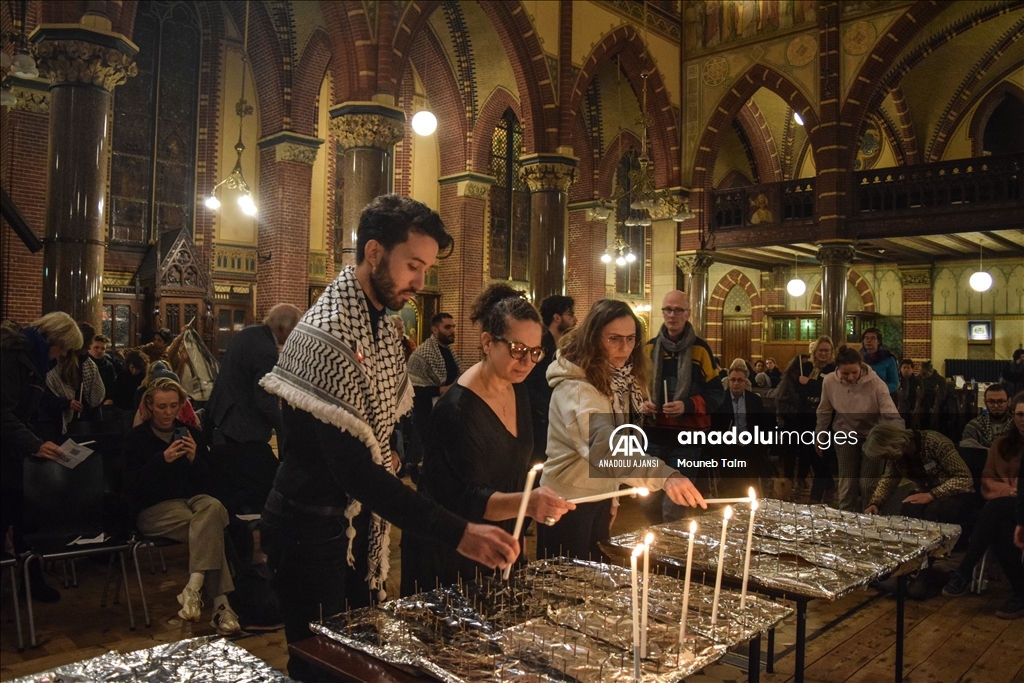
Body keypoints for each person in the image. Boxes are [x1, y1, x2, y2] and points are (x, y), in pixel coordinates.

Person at [257, 195, 518, 682]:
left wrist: (396, 451)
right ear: (374, 252)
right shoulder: (327, 334)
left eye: (426, 268)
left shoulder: (380, 324)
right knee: (320, 667)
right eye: (413, 266)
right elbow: (355, 470)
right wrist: (459, 531)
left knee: (357, 659)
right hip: (308, 530)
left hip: (352, 525)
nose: (421, 282)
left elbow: (383, 427)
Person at [402, 284, 574, 594]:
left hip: (502, 540)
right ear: (487, 342)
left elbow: (516, 467)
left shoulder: (516, 387)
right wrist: (528, 503)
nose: (527, 361)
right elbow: (463, 498)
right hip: (454, 551)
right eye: (517, 349)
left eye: (535, 352)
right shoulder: (457, 410)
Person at [539, 299, 707, 561]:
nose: (624, 348)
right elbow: (606, 450)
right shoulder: (578, 389)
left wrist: (612, 496)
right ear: (593, 338)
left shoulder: (617, 379)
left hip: (599, 494)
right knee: (566, 588)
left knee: (592, 583)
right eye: (614, 338)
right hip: (567, 501)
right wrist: (665, 475)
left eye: (630, 339)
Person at [123, 378, 240, 635]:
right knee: (212, 527)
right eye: (162, 406)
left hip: (195, 503)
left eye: (173, 406)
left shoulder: (192, 435)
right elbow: (131, 488)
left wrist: (194, 459)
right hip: (156, 508)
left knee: (213, 507)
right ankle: (222, 607)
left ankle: (193, 587)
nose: (167, 413)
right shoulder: (135, 439)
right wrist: (160, 461)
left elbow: (212, 484)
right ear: (150, 407)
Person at [1, 312, 83, 603]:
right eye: (63, 348)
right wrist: (34, 444)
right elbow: (4, 414)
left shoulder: (31, 359)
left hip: (12, 450)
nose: (62, 356)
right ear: (53, 339)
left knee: (28, 515)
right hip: (6, 451)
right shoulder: (13, 355)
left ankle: (31, 580)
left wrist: (39, 442)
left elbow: (24, 412)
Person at [205, 303, 301, 517]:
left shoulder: (247, 334)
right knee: (262, 481)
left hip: (223, 417)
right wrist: (285, 426)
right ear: (285, 329)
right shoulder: (266, 351)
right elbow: (264, 399)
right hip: (244, 429)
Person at [644, 290, 725, 522]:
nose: (672, 315)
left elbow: (717, 394)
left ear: (687, 313)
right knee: (648, 498)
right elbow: (635, 387)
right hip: (654, 434)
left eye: (678, 310)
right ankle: (653, 546)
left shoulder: (700, 349)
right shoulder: (649, 349)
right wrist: (642, 402)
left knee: (674, 503)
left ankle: (670, 552)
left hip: (687, 438)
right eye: (667, 309)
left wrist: (687, 405)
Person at [942, 391, 1023, 620]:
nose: (1023, 419)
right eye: (1019, 414)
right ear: (1013, 415)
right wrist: (1010, 492)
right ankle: (1021, 592)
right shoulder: (1001, 445)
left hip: (1015, 506)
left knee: (995, 511)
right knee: (1000, 528)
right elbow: (987, 480)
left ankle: (964, 570)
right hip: (1009, 506)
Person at [816, 345, 903, 511]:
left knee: (868, 483)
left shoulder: (876, 383)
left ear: (861, 367)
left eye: (854, 373)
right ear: (838, 370)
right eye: (845, 373)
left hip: (873, 435)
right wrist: (819, 435)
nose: (850, 377)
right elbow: (824, 410)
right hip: (845, 432)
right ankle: (846, 521)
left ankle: (869, 521)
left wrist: (899, 439)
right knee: (847, 483)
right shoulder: (829, 381)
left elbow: (890, 412)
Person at [863, 423, 975, 523]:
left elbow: (964, 478)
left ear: (892, 444)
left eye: (885, 456)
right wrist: (875, 503)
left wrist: (932, 495)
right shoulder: (896, 457)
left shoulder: (935, 442)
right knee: (909, 508)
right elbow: (889, 481)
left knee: (936, 511)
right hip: (924, 491)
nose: (886, 459)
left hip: (955, 493)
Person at [406, 312, 462, 479]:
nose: (452, 330)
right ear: (434, 330)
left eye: (453, 327)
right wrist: (441, 390)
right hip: (426, 413)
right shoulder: (421, 355)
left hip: (448, 409)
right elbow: (413, 388)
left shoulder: (449, 352)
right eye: (447, 327)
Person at [524, 295, 576, 461]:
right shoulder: (540, 345)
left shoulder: (564, 347)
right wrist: (547, 406)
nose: (575, 320)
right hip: (537, 419)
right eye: (571, 315)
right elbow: (527, 382)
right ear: (557, 317)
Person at [712, 361, 771, 494]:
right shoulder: (720, 400)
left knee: (751, 474)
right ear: (728, 381)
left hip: (750, 446)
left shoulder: (754, 401)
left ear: (746, 382)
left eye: (740, 380)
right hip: (727, 446)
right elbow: (715, 427)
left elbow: (763, 426)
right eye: (733, 380)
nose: (736, 383)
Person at [38, 322, 105, 434]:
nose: (89, 347)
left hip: (83, 420)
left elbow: (95, 400)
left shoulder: (89, 365)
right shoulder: (55, 363)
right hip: (55, 421)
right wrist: (65, 403)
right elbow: (43, 396)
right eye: (88, 343)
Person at [775, 354, 818, 495]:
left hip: (807, 420)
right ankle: (788, 479)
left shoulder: (810, 379)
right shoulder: (788, 382)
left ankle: (801, 478)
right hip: (791, 420)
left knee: (806, 451)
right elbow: (781, 401)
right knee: (790, 452)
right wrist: (793, 412)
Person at [961, 383, 1013, 449]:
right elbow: (967, 454)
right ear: (985, 402)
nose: (996, 405)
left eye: (1001, 401)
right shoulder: (973, 427)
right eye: (991, 402)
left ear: (1009, 402)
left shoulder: (1017, 425)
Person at [860, 327, 899, 397]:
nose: (869, 341)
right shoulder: (858, 357)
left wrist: (879, 390)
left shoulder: (887, 358)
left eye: (872, 338)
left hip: (882, 396)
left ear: (878, 341)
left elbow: (894, 383)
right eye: (866, 338)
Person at [88, 334, 118, 407]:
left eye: (103, 349)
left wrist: (110, 399)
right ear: (89, 348)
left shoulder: (109, 366)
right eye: (96, 347)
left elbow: (112, 386)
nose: (99, 351)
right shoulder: (85, 364)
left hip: (104, 402)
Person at [916, 362, 947, 431]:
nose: (922, 376)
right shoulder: (919, 378)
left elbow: (942, 396)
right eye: (921, 373)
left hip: (933, 403)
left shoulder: (940, 380)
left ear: (930, 371)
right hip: (921, 402)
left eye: (924, 374)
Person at [897, 359, 921, 425]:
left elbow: (919, 395)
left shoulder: (917, 381)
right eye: (904, 368)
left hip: (913, 406)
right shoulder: (897, 381)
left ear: (912, 369)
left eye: (908, 368)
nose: (906, 370)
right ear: (900, 369)